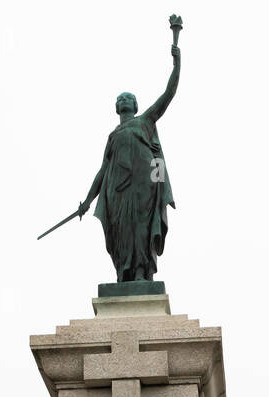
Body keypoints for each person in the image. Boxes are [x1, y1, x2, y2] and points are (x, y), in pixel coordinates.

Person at [76, 20, 180, 283]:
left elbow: (169, 93)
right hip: (118, 189)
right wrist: (88, 201)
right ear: (116, 108)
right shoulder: (113, 136)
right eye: (120, 98)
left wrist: (177, 63)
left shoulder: (145, 121)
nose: (124, 99)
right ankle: (125, 273)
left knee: (142, 226)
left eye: (129, 98)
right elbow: (103, 171)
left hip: (145, 184)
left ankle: (144, 272)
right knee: (121, 229)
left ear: (135, 105)